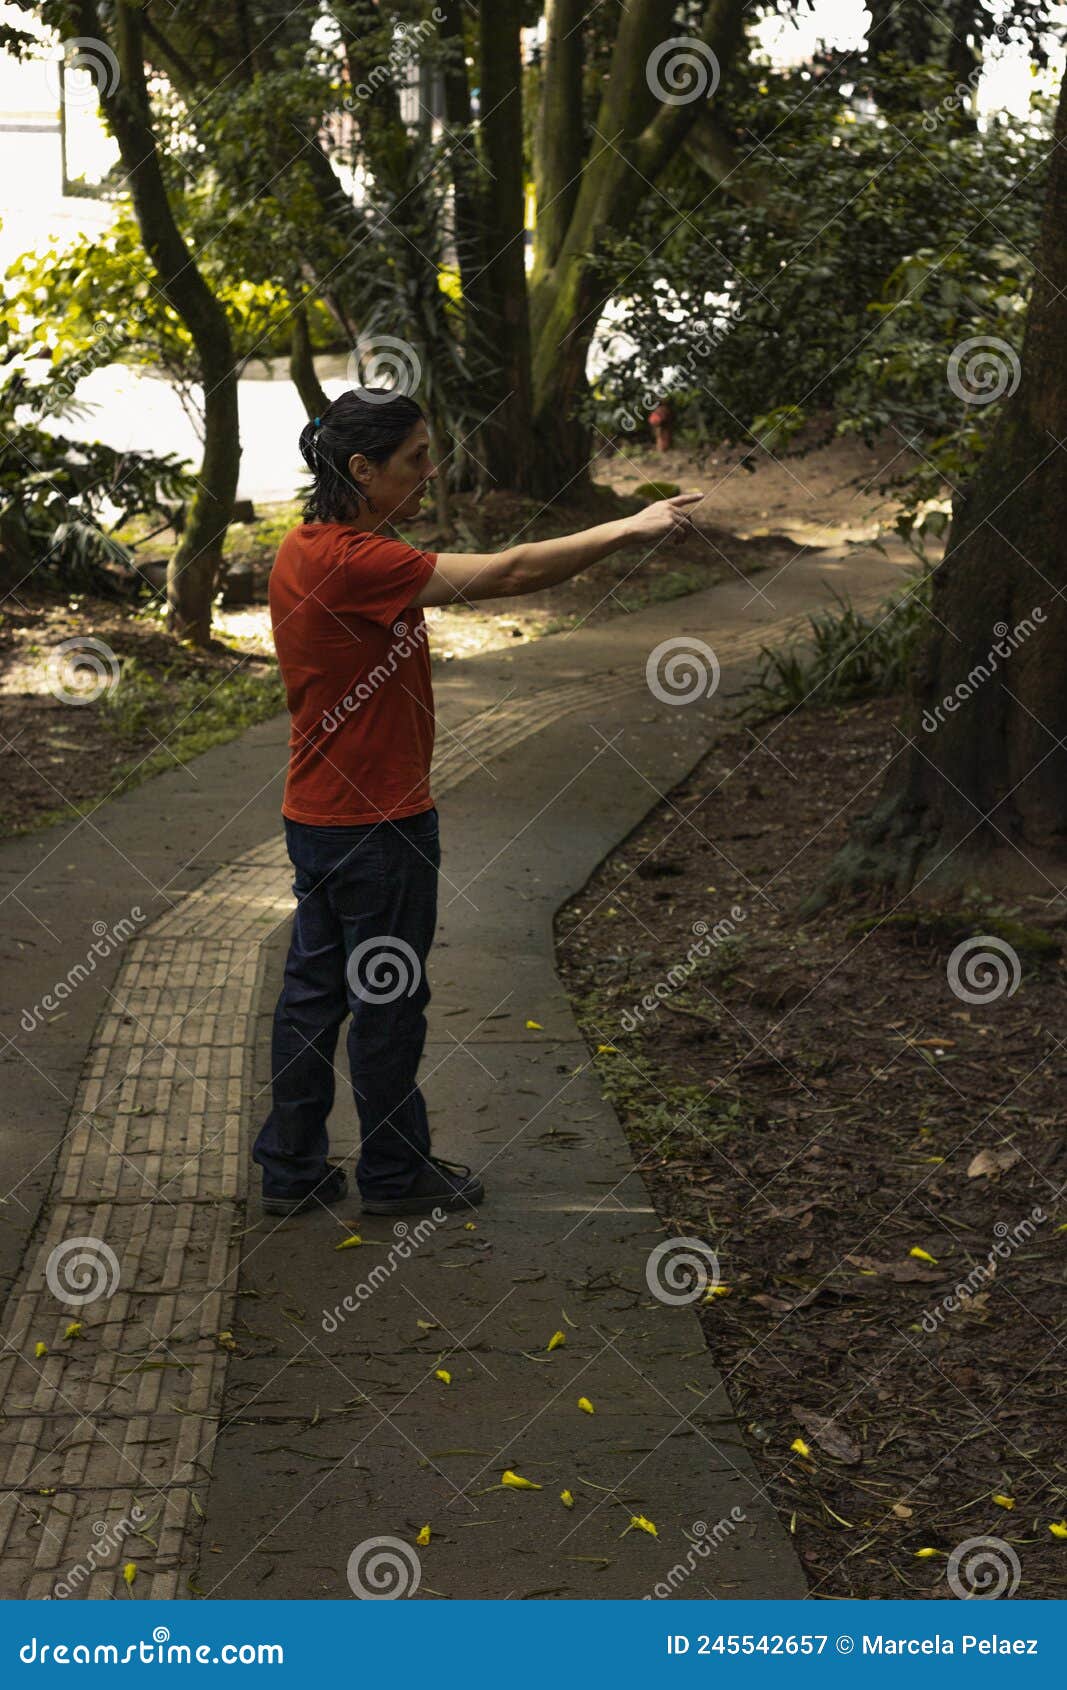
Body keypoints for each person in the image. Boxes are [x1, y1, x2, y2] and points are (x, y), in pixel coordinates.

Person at [253, 388, 703, 1218]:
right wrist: (626, 527)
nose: (431, 473)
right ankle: (393, 1175)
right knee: (386, 1003)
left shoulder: (302, 548)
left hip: (315, 816)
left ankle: (290, 1170)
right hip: (376, 826)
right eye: (416, 459)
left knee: (312, 998)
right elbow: (510, 572)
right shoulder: (361, 561)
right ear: (361, 469)